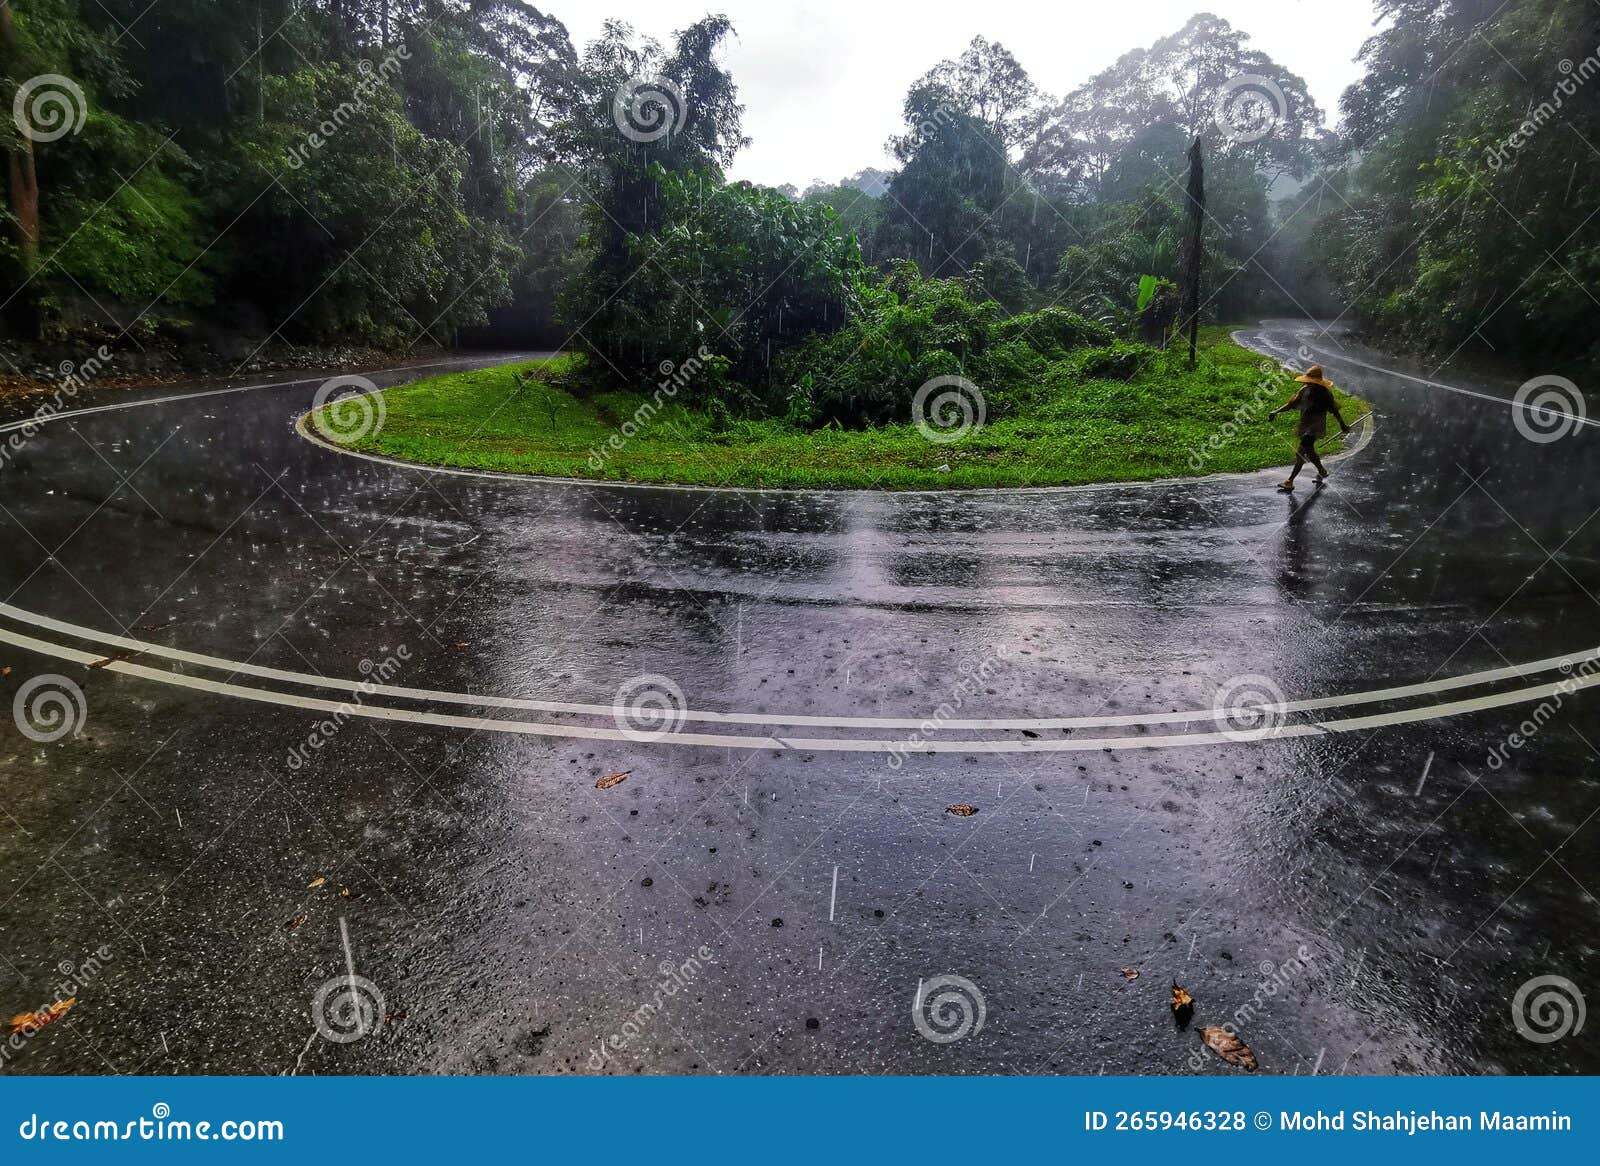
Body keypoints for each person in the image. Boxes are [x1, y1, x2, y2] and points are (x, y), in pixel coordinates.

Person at [1269, 365, 1350, 492]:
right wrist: (1276, 412)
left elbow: (1334, 411)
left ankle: (1290, 481)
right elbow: (1291, 404)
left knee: (1300, 453)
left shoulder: (1325, 394)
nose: (1308, 383)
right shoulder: (1304, 390)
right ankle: (1322, 471)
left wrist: (1342, 424)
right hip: (1305, 425)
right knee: (1308, 452)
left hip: (1315, 427)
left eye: (1311, 382)